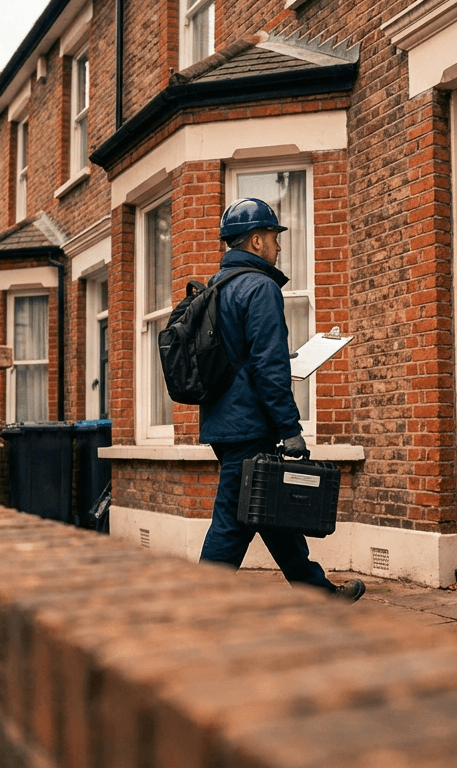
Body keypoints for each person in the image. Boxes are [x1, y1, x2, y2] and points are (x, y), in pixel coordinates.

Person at [197, 198, 365, 602]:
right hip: (248, 425)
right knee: (233, 522)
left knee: (268, 510)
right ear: (256, 240)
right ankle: (195, 602)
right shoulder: (260, 287)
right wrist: (291, 429)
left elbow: (245, 358)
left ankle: (318, 592)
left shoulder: (218, 287)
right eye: (274, 237)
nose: (278, 245)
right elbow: (268, 367)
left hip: (226, 421)